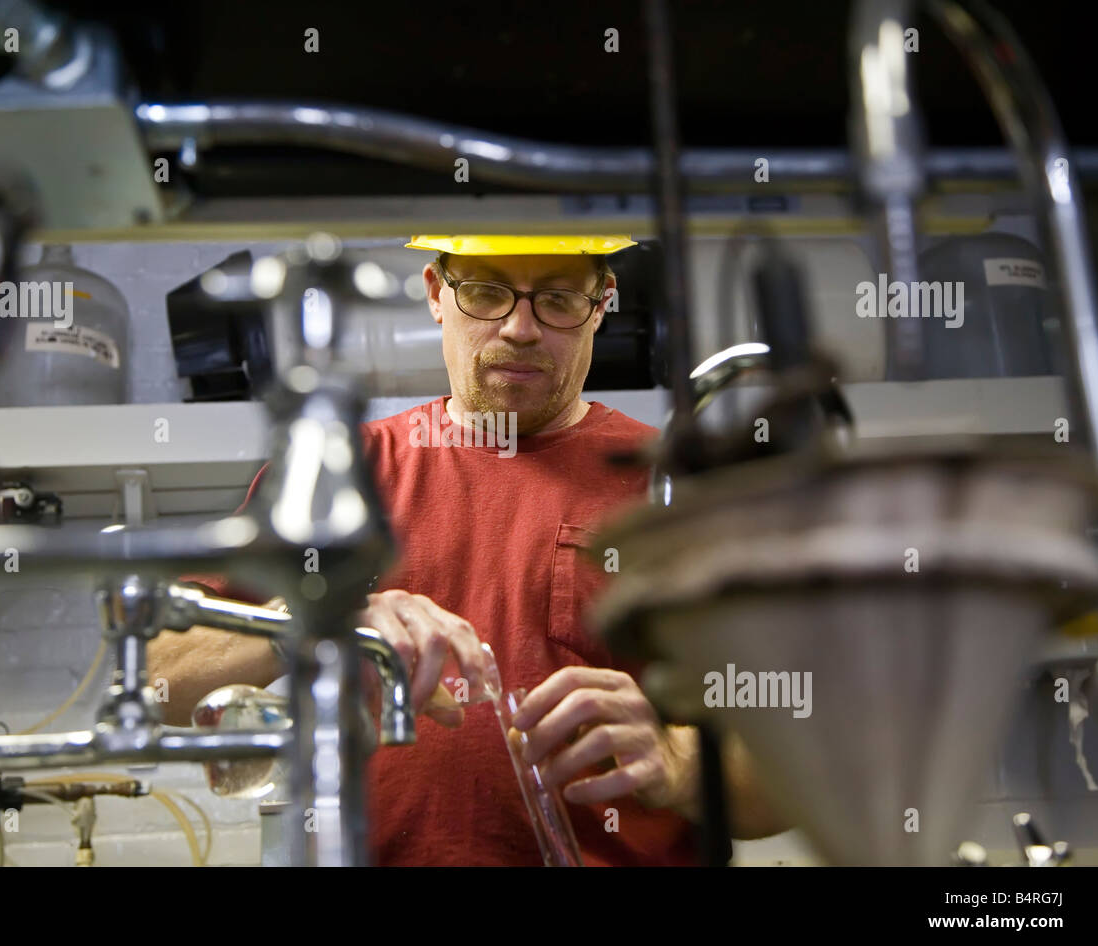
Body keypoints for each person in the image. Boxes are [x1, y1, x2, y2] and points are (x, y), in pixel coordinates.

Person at [149, 235, 782, 864]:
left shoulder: (677, 488)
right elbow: (158, 676)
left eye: (558, 300)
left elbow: (784, 778)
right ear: (435, 293)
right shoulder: (343, 474)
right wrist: (316, 625)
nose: (519, 329)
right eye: (485, 292)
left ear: (602, 304)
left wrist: (675, 760)